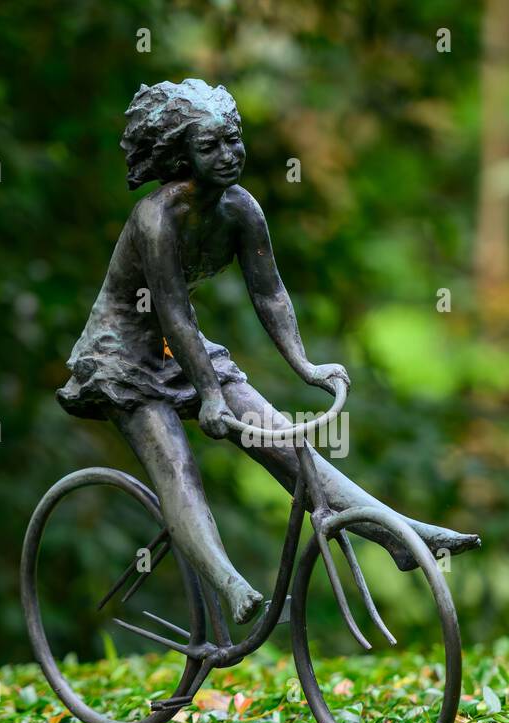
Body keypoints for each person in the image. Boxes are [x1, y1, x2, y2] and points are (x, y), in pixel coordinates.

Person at [58, 79, 479, 625]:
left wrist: (305, 366)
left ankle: (398, 534)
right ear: (181, 157)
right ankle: (229, 585)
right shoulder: (156, 217)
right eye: (209, 146)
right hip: (122, 357)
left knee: (286, 441)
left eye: (232, 139)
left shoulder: (240, 208)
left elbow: (269, 293)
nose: (228, 155)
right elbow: (173, 312)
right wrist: (210, 395)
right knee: (176, 468)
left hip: (181, 349)